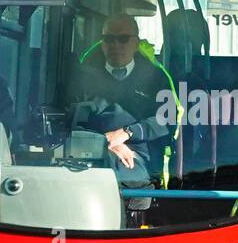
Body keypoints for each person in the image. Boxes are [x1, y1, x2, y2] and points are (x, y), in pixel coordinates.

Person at [67, 13, 172, 178]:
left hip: (137, 157)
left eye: (123, 39)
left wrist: (126, 133)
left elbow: (165, 120)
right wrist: (105, 144)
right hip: (89, 151)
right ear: (102, 44)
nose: (115, 45)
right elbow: (71, 122)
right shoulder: (83, 78)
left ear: (136, 43)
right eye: (108, 39)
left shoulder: (156, 78)